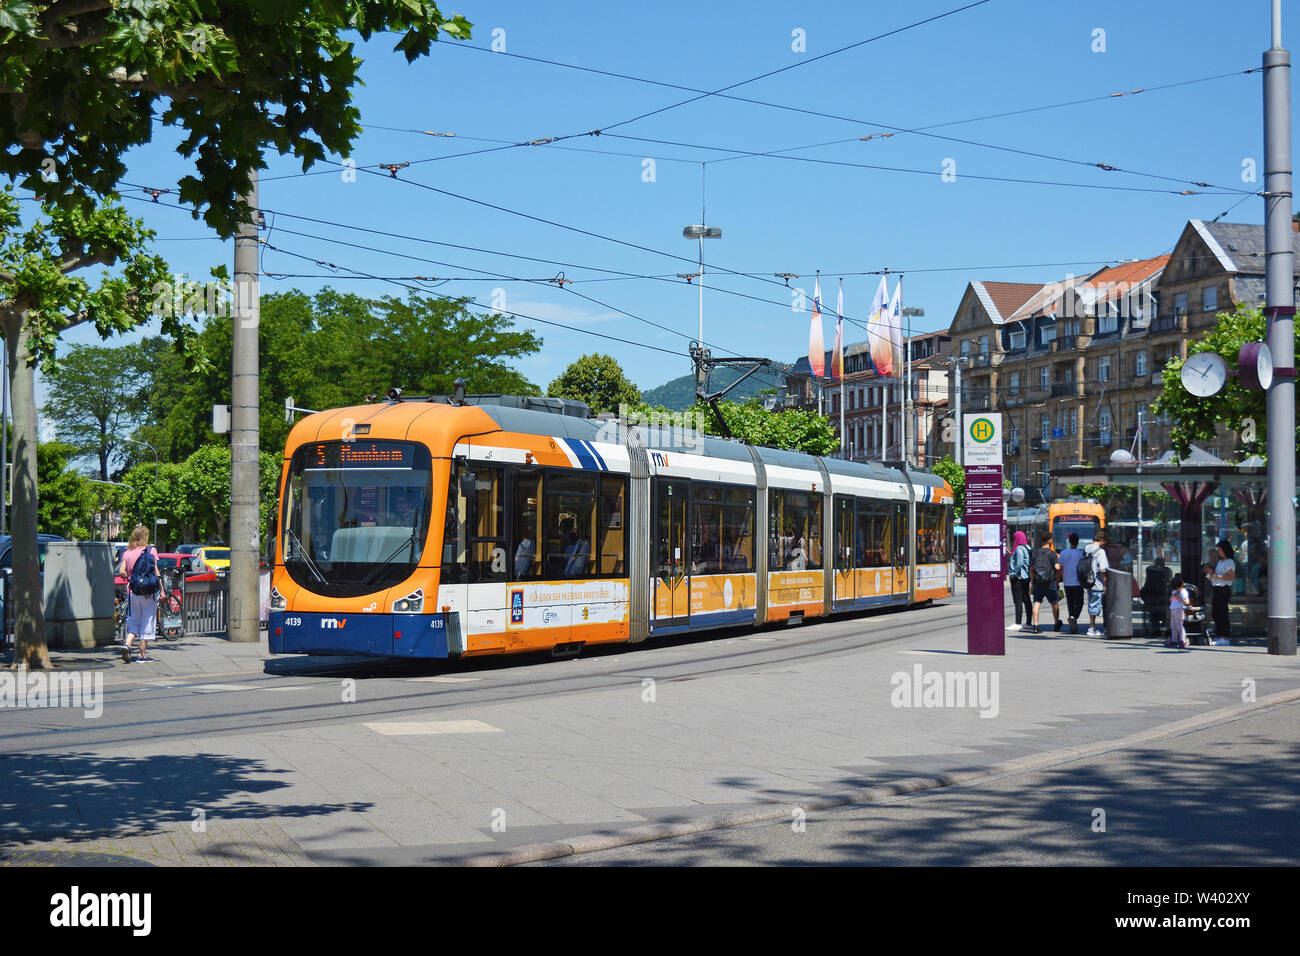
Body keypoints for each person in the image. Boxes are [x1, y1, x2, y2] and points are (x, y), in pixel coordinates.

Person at [117, 525, 159, 663]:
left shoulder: (128, 552)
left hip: (132, 591)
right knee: (148, 620)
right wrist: (162, 590)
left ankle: (127, 644)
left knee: (134, 619)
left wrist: (128, 576)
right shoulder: (151, 550)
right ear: (145, 537)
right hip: (149, 592)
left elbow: (121, 571)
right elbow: (156, 572)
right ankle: (142, 655)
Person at [1027, 531, 1062, 633]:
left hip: (1038, 582)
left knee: (1037, 603)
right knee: (1054, 602)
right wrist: (1057, 579)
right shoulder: (1052, 554)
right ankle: (1056, 623)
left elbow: (1031, 569)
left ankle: (1036, 626)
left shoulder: (1035, 552)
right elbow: (1057, 567)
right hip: (1049, 582)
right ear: (1050, 540)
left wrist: (1032, 582)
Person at [1083, 529, 1111, 637]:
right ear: (1102, 540)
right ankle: (1092, 628)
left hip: (1088, 580)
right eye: (1106, 542)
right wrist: (1105, 585)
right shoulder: (1100, 552)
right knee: (1095, 604)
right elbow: (1103, 570)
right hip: (1097, 582)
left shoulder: (1086, 549)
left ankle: (1092, 626)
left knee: (1091, 603)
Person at [1058, 532, 1086, 634]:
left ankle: (1072, 619)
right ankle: (1074, 617)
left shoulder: (1063, 553)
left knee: (1070, 603)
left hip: (1067, 582)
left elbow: (1060, 568)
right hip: (1078, 583)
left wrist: (1058, 580)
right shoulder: (1080, 553)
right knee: (1080, 602)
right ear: (1078, 542)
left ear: (1069, 542)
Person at [1208, 539, 1235, 640]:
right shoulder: (1220, 561)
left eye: (1219, 550)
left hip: (1223, 589)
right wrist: (1210, 575)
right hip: (1216, 588)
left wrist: (1217, 576)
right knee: (1215, 612)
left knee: (1222, 612)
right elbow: (1216, 576)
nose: (1218, 552)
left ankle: (1225, 635)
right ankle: (1218, 633)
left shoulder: (1229, 562)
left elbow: (1230, 577)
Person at [1141, 556, 1171, 637]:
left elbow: (1145, 589)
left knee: (1153, 614)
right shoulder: (1167, 571)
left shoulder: (1150, 570)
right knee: (1164, 612)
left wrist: (1144, 596)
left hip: (1151, 600)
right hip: (1163, 600)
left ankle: (1155, 628)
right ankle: (1165, 627)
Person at [1007, 531, 1032, 631]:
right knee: (1026, 600)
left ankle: (1018, 623)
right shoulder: (1028, 548)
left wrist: (1013, 573)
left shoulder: (1019, 548)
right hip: (1026, 577)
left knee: (1018, 601)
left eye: (1014, 538)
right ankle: (1029, 622)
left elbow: (1019, 562)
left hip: (1018, 577)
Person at [1167, 574, 1198, 649]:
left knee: (1179, 626)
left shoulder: (1183, 592)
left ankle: (1183, 640)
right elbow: (1170, 600)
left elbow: (1187, 602)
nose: (1176, 590)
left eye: (1177, 588)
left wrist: (1178, 597)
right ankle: (1174, 640)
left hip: (1179, 610)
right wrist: (1173, 596)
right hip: (1173, 610)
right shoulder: (1174, 591)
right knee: (1173, 626)